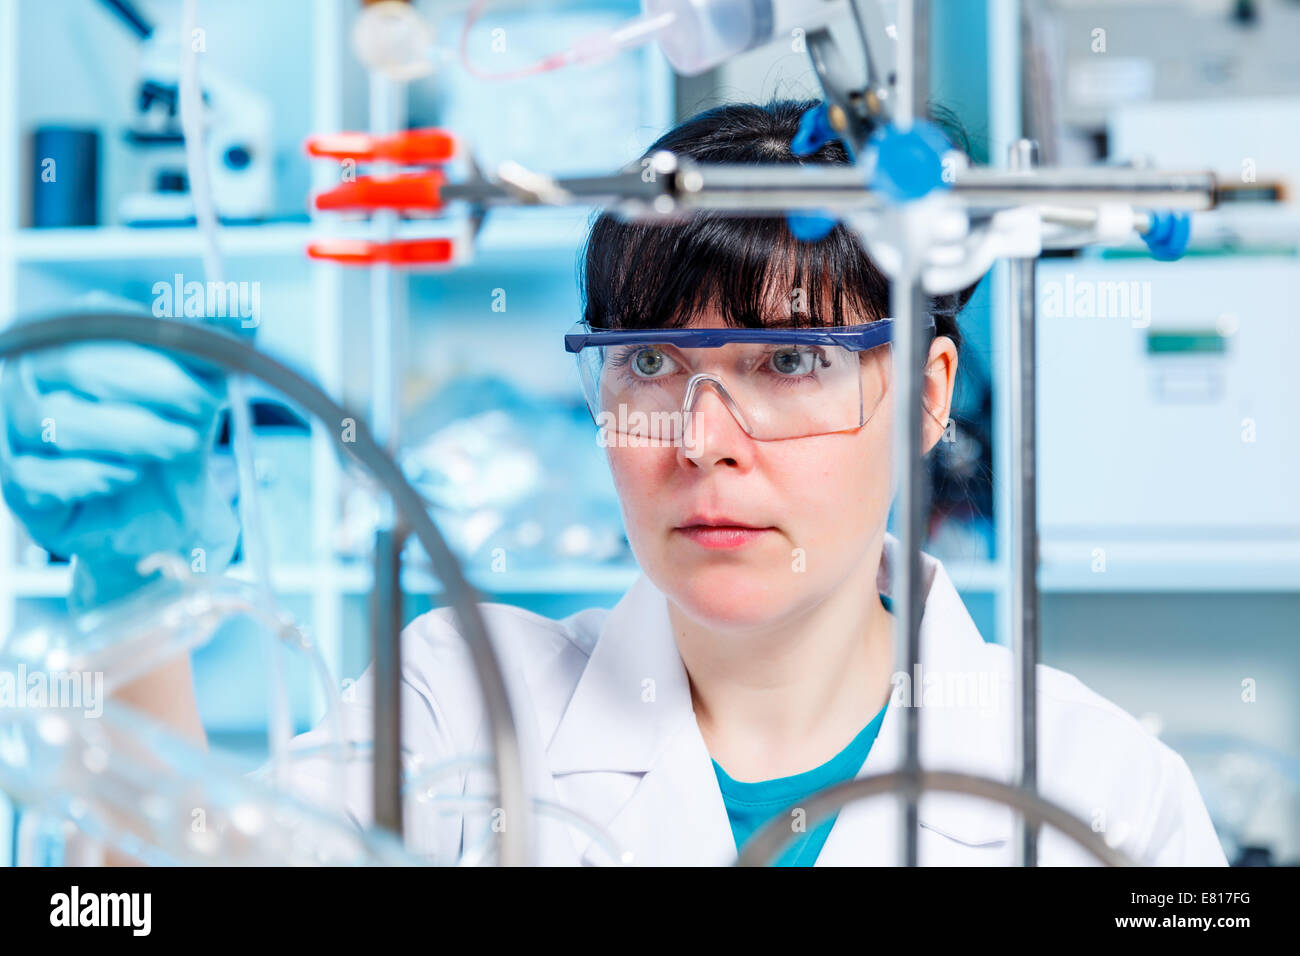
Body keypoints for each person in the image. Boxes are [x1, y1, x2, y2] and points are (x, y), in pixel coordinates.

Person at [0, 99, 1226, 866]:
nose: (703, 438)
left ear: (923, 389)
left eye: (789, 359)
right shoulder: (455, 707)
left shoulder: (1100, 791)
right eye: (648, 360)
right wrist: (131, 602)